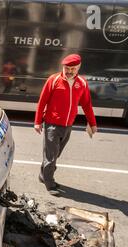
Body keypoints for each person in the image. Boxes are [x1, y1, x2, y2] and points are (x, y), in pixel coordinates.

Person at [34, 54, 97, 196]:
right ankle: (49, 183)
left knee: (56, 154)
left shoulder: (82, 83)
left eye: (72, 69)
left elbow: (87, 104)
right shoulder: (54, 79)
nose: (69, 71)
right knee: (51, 156)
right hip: (52, 124)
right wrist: (38, 122)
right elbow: (42, 101)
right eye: (66, 68)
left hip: (68, 125)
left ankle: (43, 175)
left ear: (78, 67)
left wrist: (92, 123)